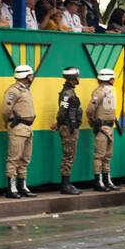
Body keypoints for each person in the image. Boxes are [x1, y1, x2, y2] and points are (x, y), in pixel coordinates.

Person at [2, 63, 36, 198]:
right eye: (30, 75)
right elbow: (5, 110)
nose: (32, 77)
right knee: (14, 158)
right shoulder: (13, 91)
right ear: (26, 75)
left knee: (25, 159)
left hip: (27, 127)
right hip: (18, 126)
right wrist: (9, 123)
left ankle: (22, 186)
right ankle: (11, 188)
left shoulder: (25, 90)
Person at [87, 67, 120, 191]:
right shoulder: (99, 92)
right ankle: (98, 181)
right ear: (110, 78)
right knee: (100, 155)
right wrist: (94, 123)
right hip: (102, 127)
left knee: (108, 155)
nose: (114, 80)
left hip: (109, 127)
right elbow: (90, 110)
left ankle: (107, 179)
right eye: (113, 78)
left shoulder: (110, 90)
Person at [55, 66, 83, 195]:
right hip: (68, 128)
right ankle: (65, 185)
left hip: (70, 127)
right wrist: (61, 123)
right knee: (68, 156)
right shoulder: (67, 93)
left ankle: (67, 183)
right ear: (72, 78)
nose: (78, 79)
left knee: (70, 156)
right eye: (77, 76)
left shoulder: (70, 91)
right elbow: (62, 112)